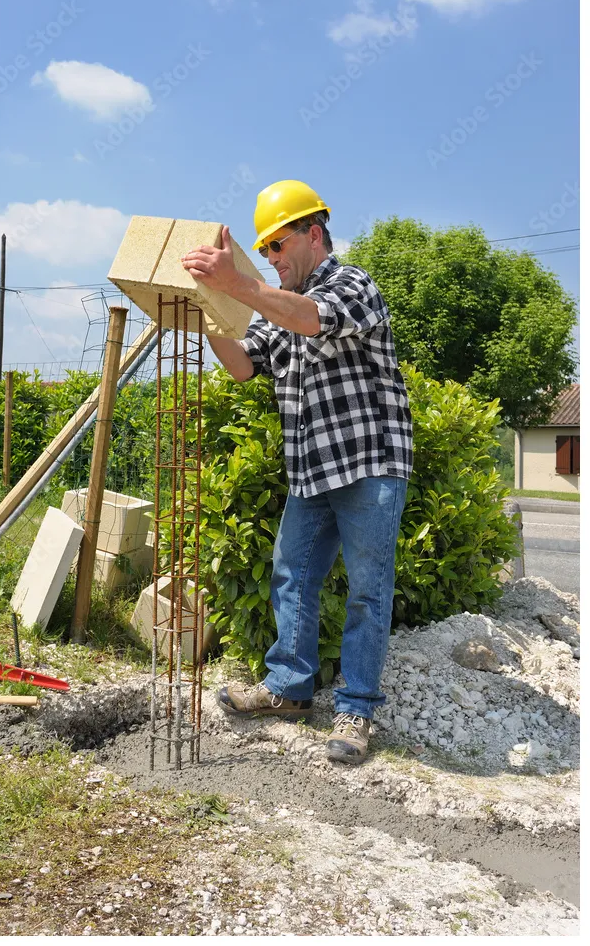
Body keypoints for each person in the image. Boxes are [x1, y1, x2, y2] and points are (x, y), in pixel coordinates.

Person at [181, 180, 413, 764]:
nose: (272, 260)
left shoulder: (351, 285)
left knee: (367, 591)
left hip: (369, 465)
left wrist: (240, 283)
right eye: (263, 254)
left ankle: (356, 709)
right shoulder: (273, 303)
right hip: (311, 471)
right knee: (292, 576)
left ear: (314, 234)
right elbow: (242, 365)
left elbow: (312, 320)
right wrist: (209, 308)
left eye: (278, 247)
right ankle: (288, 689)